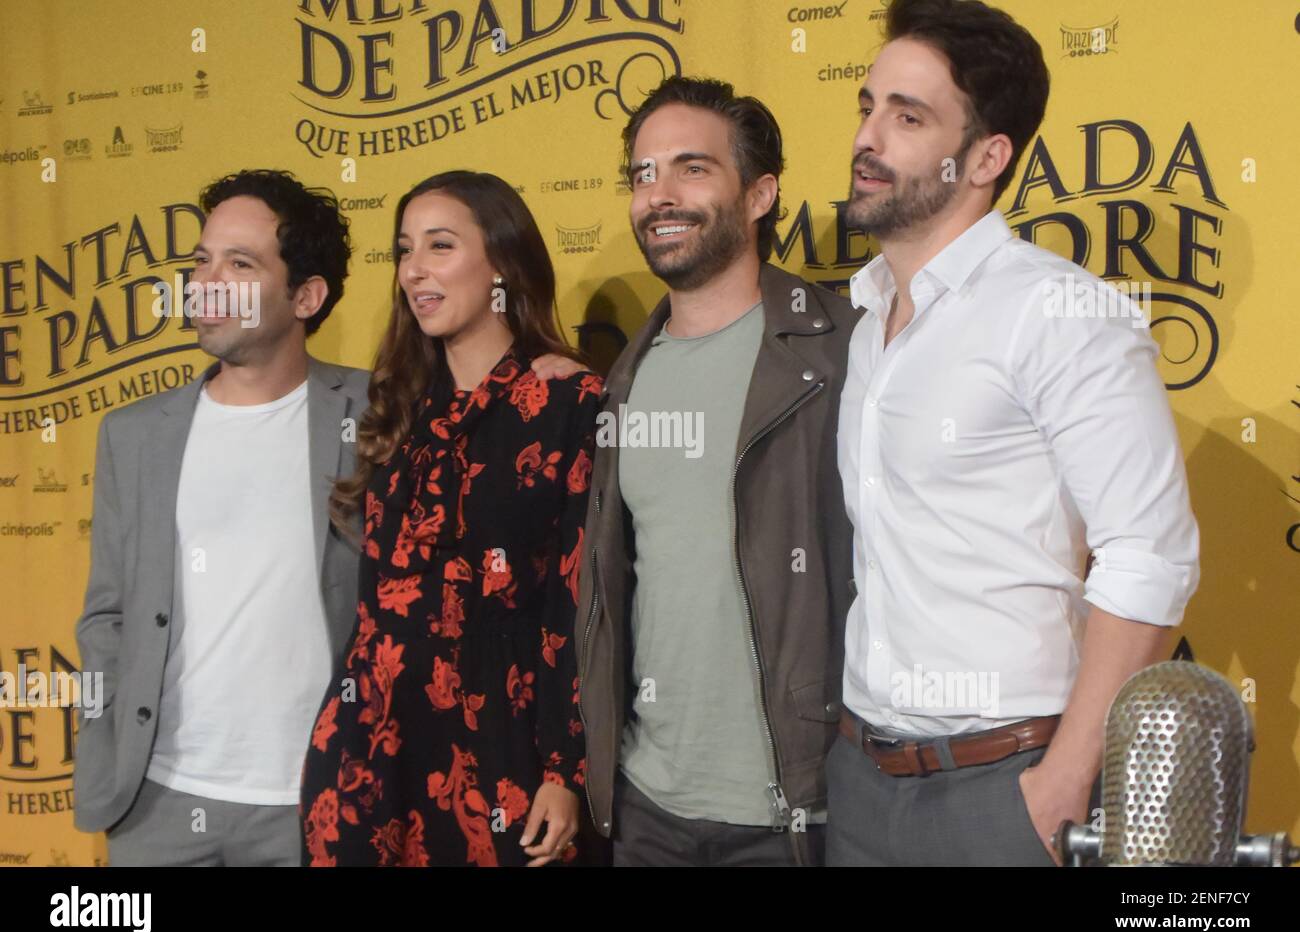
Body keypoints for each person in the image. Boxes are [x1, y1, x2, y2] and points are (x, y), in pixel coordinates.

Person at [827, 0, 1200, 866]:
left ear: (987, 156)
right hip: (858, 780)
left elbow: (1151, 555)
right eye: (868, 105)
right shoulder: (865, 319)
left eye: (908, 116)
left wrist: (1066, 777)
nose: (868, 138)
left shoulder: (1058, 313)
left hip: (1007, 785)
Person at [577, 77, 859, 866]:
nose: (658, 195)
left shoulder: (843, 353)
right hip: (647, 806)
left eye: (691, 169)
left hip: (794, 809)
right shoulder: (625, 378)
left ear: (761, 193)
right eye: (642, 174)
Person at [299, 170, 599, 867]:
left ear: (502, 262)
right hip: (372, 748)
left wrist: (564, 769)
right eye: (405, 250)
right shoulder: (396, 406)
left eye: (440, 246)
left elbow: (574, 600)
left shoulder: (569, 402)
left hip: (506, 736)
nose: (414, 270)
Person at [73, 169, 365, 866]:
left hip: (314, 803)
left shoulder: (375, 413)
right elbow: (107, 613)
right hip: (158, 803)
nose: (206, 280)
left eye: (240, 263)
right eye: (201, 260)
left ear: (306, 295)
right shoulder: (135, 434)